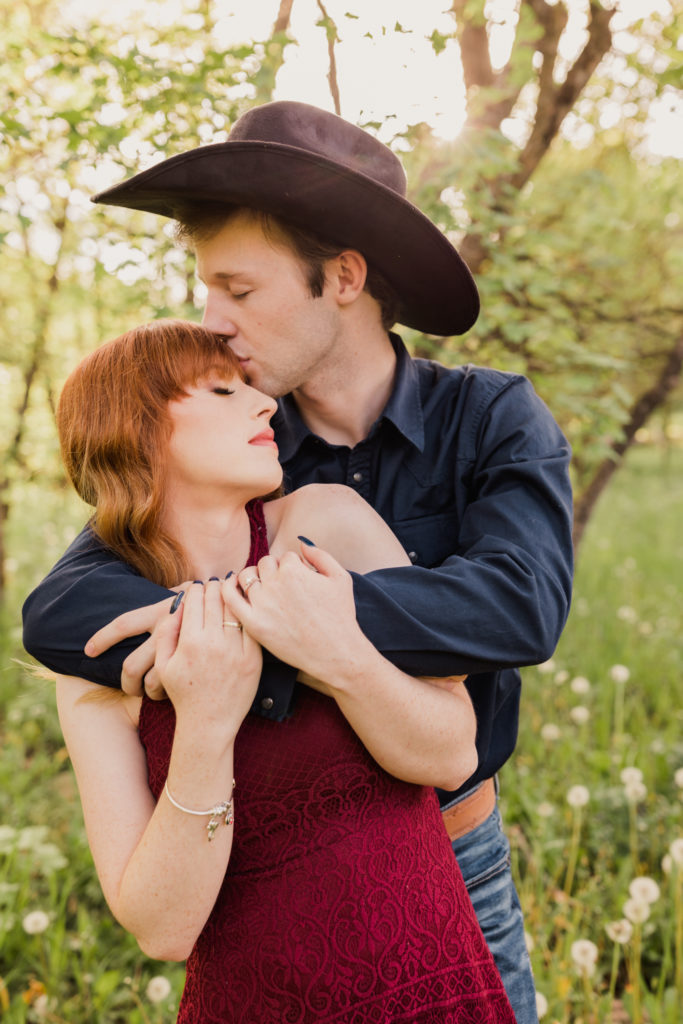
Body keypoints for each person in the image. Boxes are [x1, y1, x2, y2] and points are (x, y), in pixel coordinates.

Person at [23, 100, 574, 1024]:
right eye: (205, 291)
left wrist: (304, 628)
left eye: (238, 291)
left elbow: (518, 610)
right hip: (263, 880)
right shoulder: (237, 448)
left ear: (344, 277)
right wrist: (246, 620)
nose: (216, 323)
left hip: (453, 857)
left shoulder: (490, 418)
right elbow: (63, 607)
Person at [50, 318, 515, 1023]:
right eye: (221, 389)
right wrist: (205, 721)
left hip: (433, 983)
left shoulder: (330, 525)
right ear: (136, 429)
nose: (265, 403)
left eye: (252, 387)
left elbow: (451, 753)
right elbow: (162, 928)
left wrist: (334, 654)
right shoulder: (98, 653)